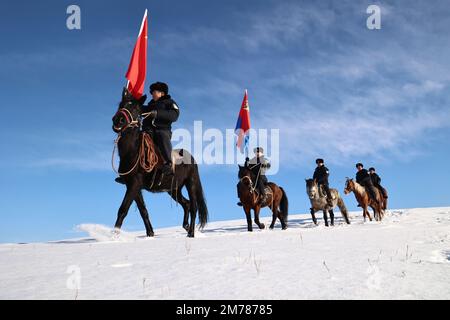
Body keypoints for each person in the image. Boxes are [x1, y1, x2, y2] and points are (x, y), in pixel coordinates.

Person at [141, 82, 180, 177]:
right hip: (148, 131)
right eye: (152, 92)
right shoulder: (149, 105)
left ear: (162, 93)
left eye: (154, 92)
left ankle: (169, 163)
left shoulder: (170, 102)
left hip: (163, 130)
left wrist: (157, 113)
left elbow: (174, 115)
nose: (152, 94)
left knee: (161, 135)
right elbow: (139, 110)